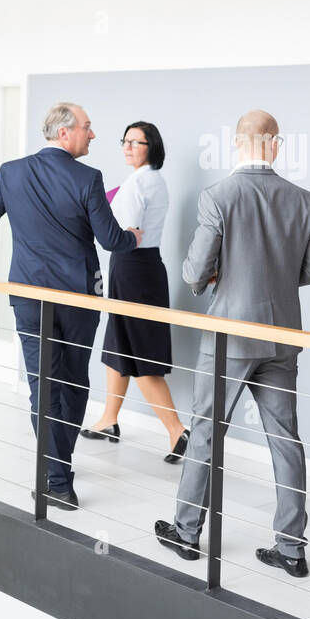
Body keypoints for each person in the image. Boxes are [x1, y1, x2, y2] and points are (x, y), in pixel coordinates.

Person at [0, 103, 142, 509]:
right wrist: (134, 236)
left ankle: (56, 472)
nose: (93, 135)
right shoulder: (88, 178)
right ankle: (59, 470)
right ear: (65, 133)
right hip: (77, 300)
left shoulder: (11, 173)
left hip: (29, 300)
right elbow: (112, 241)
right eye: (87, 127)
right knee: (75, 382)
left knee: (41, 386)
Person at [155, 109, 310, 577]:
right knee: (286, 440)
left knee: (208, 432)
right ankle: (291, 548)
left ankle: (186, 532)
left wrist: (218, 275)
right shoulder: (303, 199)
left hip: (230, 335)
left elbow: (193, 272)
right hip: (281, 337)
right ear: (274, 144)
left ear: (238, 144)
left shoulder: (219, 196)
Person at [82, 121, 189, 463]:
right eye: (124, 141)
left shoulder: (140, 182)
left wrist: (95, 214)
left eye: (136, 142)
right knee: (118, 342)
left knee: (141, 355)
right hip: (139, 267)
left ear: (151, 147)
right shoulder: (149, 180)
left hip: (132, 267)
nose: (127, 147)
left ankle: (177, 431)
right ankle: (109, 419)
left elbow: (120, 234)